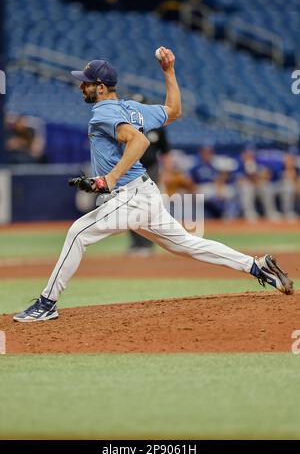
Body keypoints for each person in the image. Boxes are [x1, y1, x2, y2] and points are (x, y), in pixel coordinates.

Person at [13, 47, 293, 322]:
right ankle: (256, 266)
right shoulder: (132, 109)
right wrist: (169, 71)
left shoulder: (103, 112)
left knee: (77, 232)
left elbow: (140, 141)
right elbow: (174, 110)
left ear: (100, 87)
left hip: (131, 195)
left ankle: (47, 303)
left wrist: (108, 179)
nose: (80, 86)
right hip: (143, 193)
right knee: (186, 244)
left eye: (85, 82)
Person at [127, 94, 173, 256]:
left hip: (151, 168)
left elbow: (166, 152)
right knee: (131, 207)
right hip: (131, 170)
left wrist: (167, 173)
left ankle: (147, 245)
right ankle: (135, 244)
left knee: (148, 207)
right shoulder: (126, 126)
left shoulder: (156, 126)